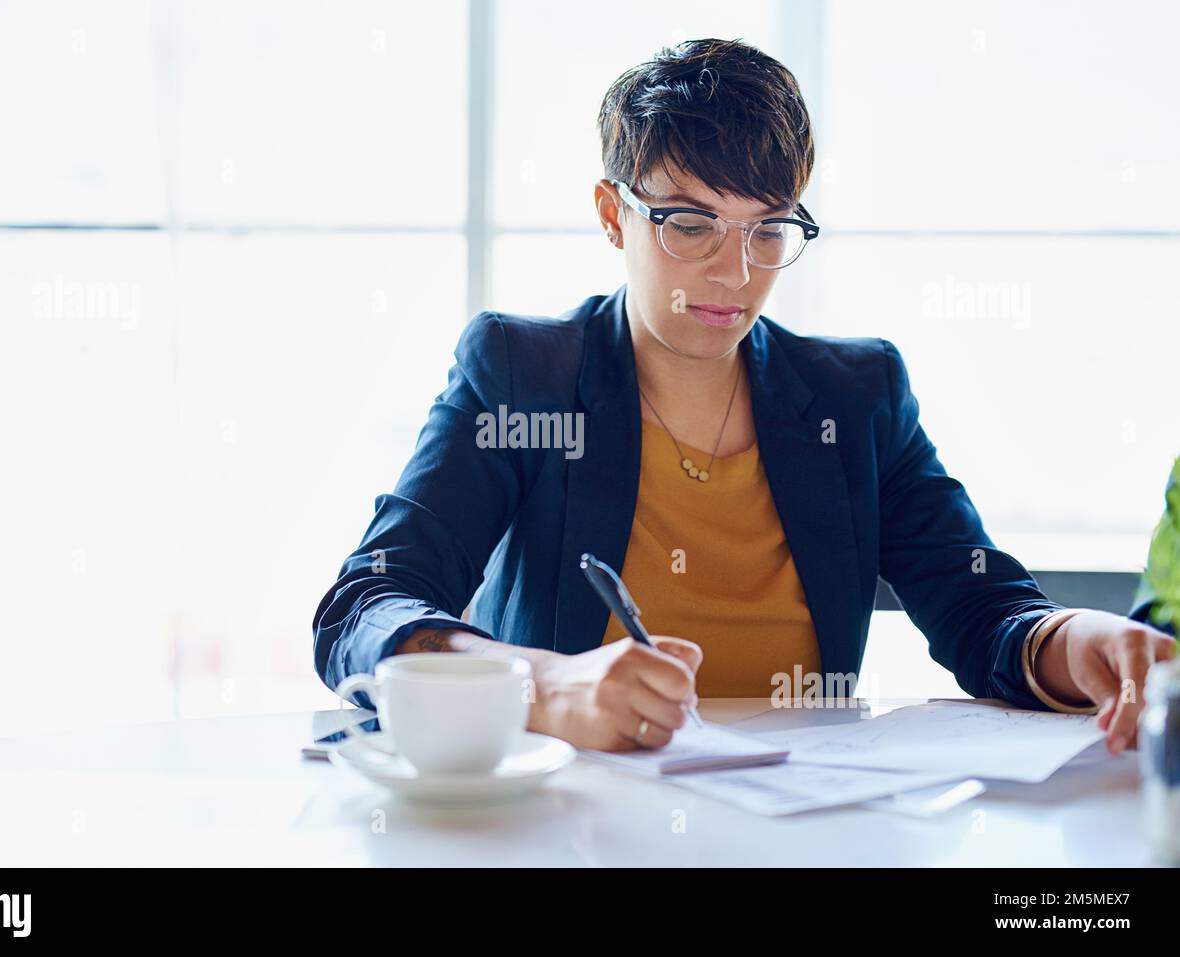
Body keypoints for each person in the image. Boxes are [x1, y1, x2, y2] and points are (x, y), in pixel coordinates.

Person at [314, 38, 1176, 754]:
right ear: (613, 216)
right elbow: (365, 603)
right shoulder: (522, 372)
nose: (736, 271)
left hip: (801, 825)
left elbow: (982, 607)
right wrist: (542, 683)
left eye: (769, 228)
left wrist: (1079, 641)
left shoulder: (858, 395)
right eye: (690, 224)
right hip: (570, 822)